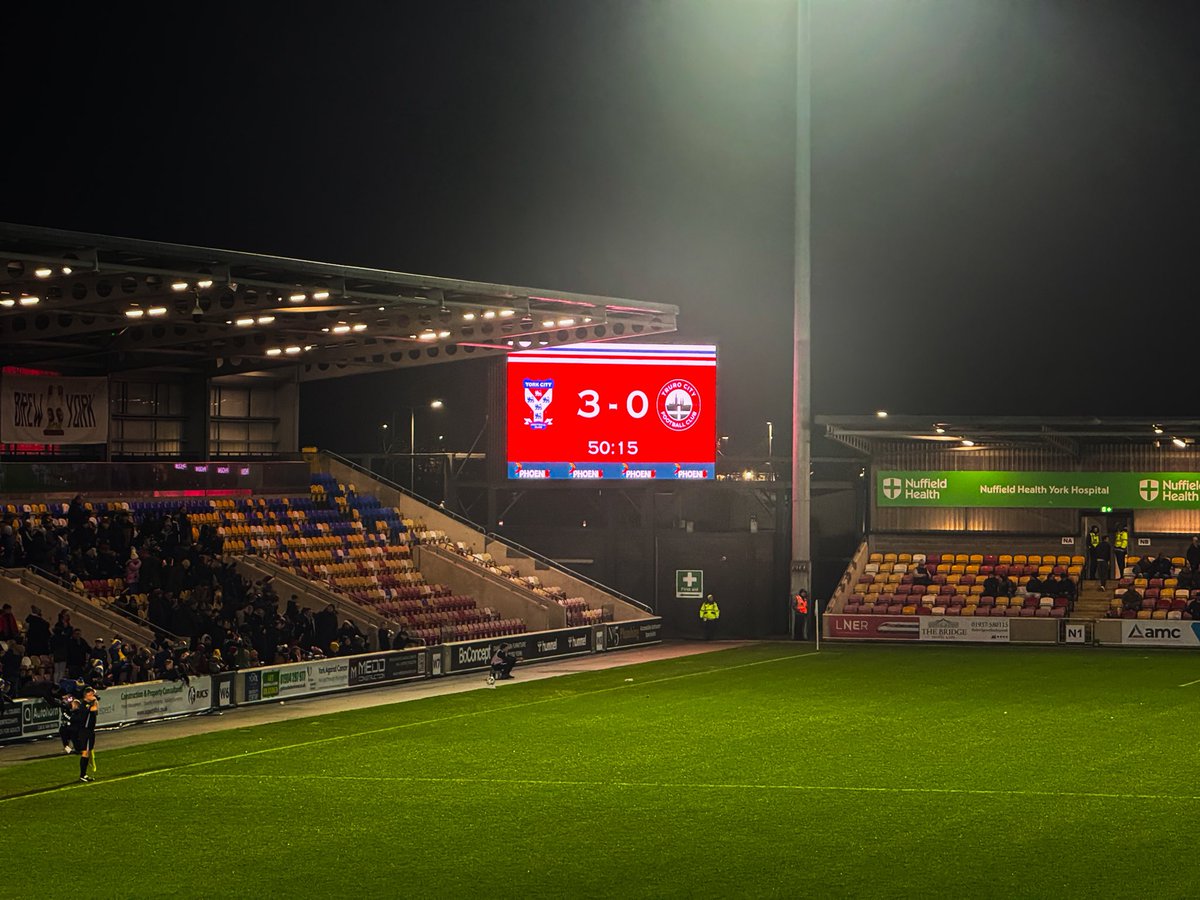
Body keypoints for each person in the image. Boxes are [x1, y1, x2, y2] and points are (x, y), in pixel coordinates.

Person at [67, 685, 99, 782]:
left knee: (87, 752)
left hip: (89, 731)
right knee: (85, 752)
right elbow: (94, 709)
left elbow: (96, 712)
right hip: (85, 731)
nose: (93, 696)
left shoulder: (88, 704)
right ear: (87, 695)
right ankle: (83, 775)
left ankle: (84, 774)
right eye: (91, 694)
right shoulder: (84, 705)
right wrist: (95, 701)